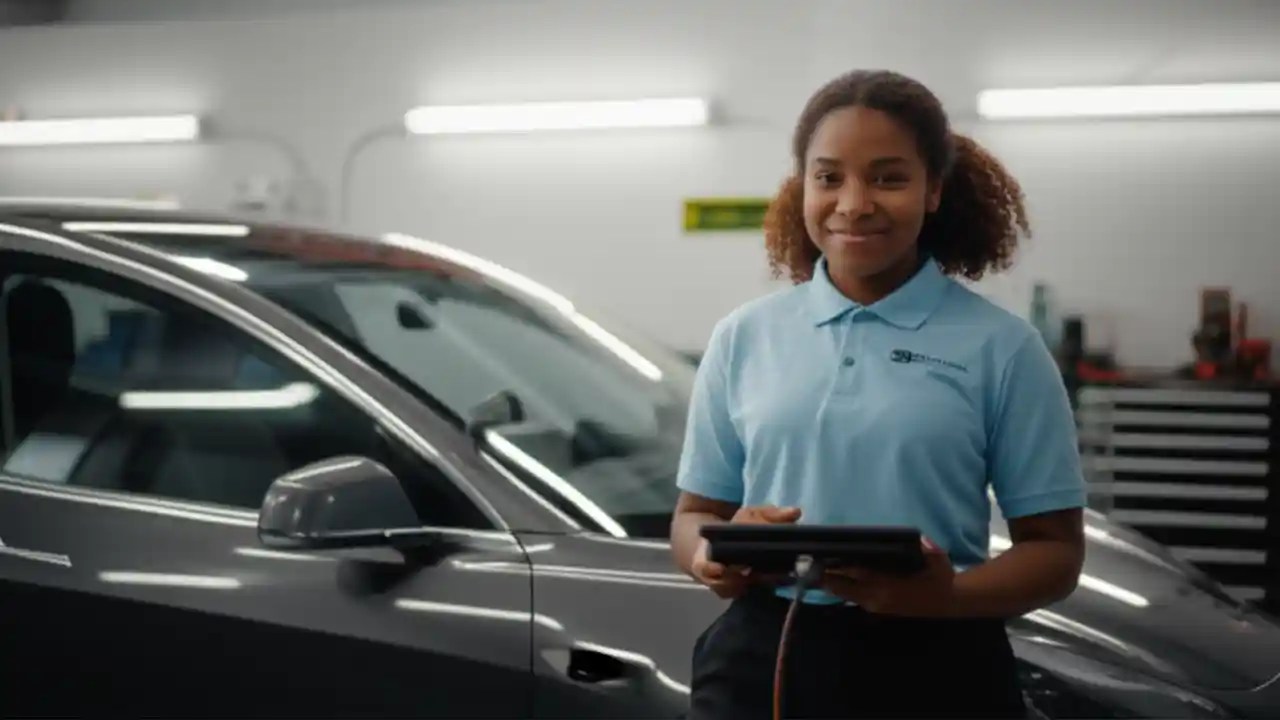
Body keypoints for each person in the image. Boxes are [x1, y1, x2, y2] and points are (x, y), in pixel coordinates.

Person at [670, 69, 1086, 720]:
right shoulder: (744, 336)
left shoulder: (1002, 348)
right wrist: (711, 556)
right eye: (828, 176)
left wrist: (942, 598)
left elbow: (1055, 554)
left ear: (934, 190)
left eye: (888, 177)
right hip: (763, 653)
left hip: (936, 661)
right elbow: (693, 515)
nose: (854, 203)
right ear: (801, 186)